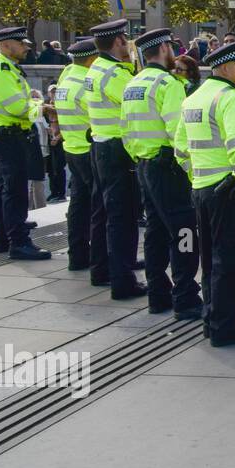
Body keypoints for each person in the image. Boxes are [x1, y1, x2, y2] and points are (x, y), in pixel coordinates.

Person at [175, 41, 235, 347]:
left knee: (210, 261)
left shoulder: (194, 98)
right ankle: (225, 327)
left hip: (202, 189)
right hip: (230, 190)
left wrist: (197, 176)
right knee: (232, 262)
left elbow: (180, 149)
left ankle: (212, 321)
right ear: (225, 68)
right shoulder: (232, 99)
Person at [121, 28, 203, 321]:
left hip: (144, 164)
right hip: (168, 167)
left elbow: (125, 130)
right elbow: (177, 132)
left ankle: (158, 294)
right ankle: (186, 297)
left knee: (155, 232)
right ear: (165, 48)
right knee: (184, 232)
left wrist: (142, 158)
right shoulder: (168, 83)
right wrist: (190, 169)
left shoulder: (134, 83)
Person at [85, 19, 144, 299]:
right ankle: (123, 280)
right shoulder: (115, 74)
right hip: (117, 149)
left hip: (99, 145)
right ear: (119, 42)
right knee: (122, 216)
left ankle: (102, 269)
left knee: (102, 212)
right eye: (126, 39)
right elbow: (138, 102)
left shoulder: (96, 67)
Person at [0, 27, 51, 259]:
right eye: (21, 43)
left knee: (5, 188)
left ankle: (3, 239)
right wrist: (40, 105)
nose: (26, 47)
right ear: (4, 45)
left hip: (8, 135)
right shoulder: (0, 71)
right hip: (9, 135)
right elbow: (17, 108)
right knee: (14, 191)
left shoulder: (7, 69)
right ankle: (19, 242)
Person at [55, 39, 103, 274]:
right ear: (93, 59)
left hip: (71, 148)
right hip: (88, 150)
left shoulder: (66, 77)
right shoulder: (86, 83)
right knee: (99, 208)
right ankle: (100, 259)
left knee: (78, 205)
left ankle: (77, 255)